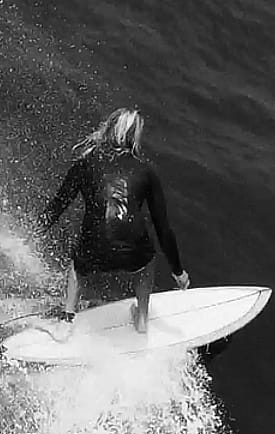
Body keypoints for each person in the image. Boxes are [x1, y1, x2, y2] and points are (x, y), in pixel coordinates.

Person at [37, 107, 189, 338]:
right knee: (146, 264)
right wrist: (179, 273)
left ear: (108, 130)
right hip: (134, 252)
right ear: (134, 137)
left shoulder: (84, 163)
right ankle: (142, 320)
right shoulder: (147, 171)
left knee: (77, 267)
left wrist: (32, 235)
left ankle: (67, 319)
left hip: (93, 249)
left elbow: (58, 206)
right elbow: (163, 229)